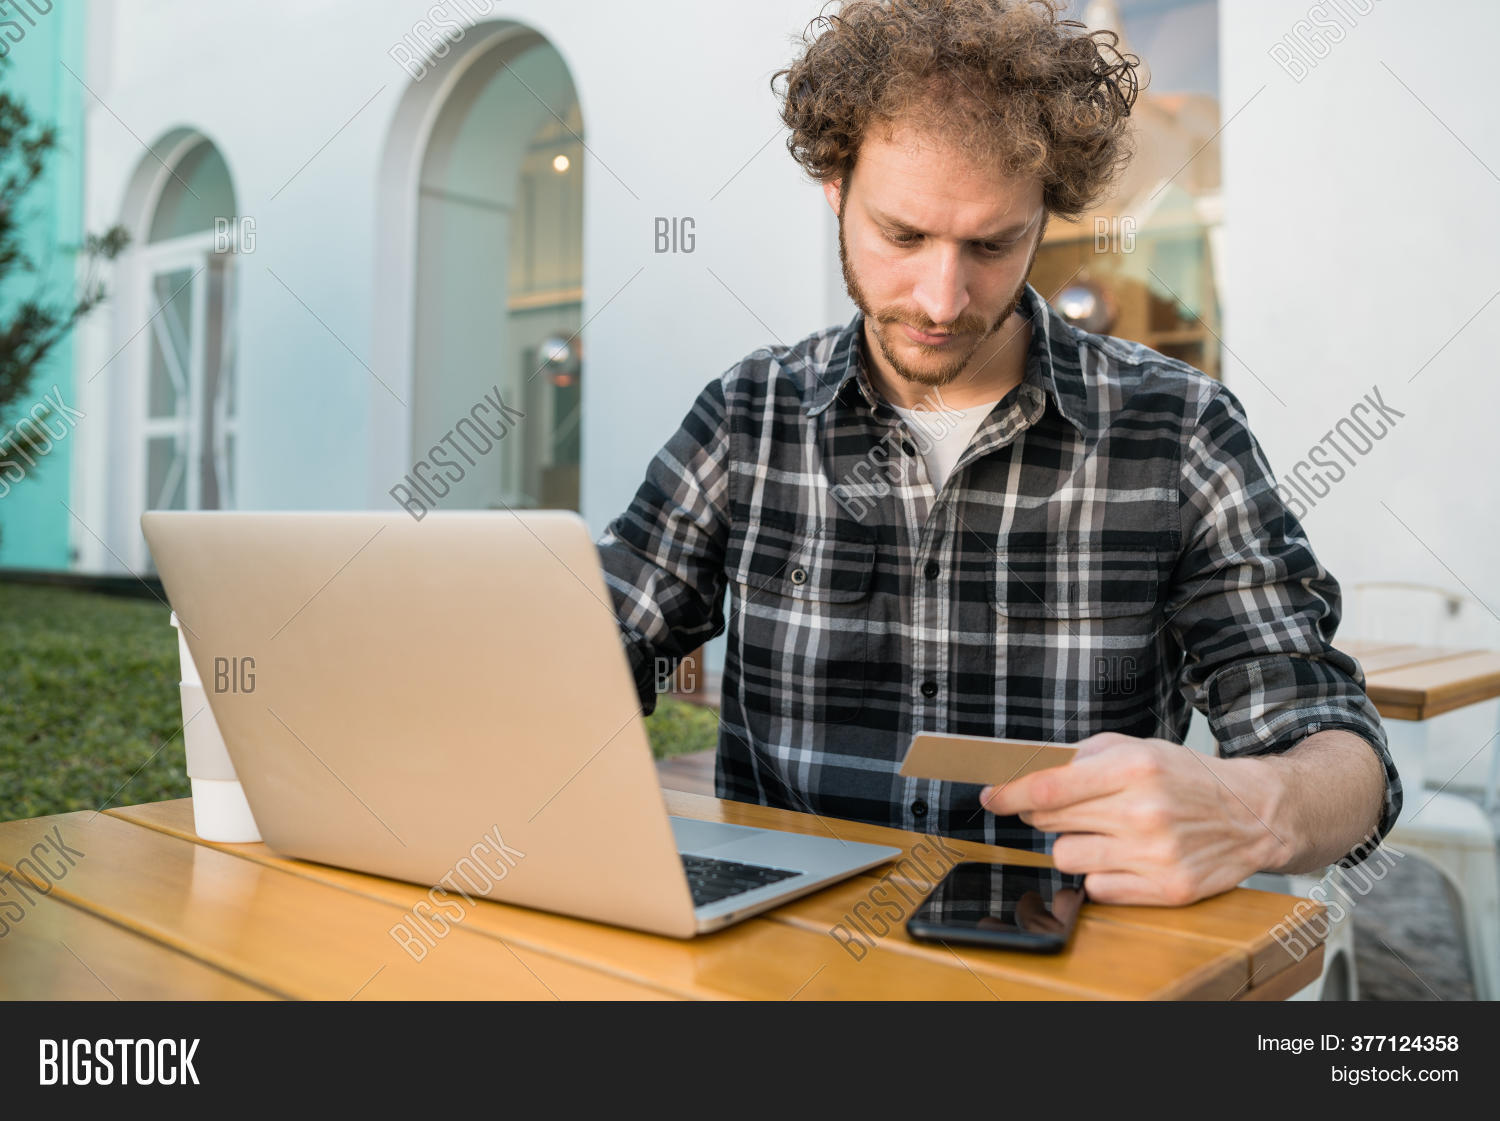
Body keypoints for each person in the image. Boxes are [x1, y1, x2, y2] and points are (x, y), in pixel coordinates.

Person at [596, 0, 1399, 906]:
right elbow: (591, 653)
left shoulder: (1178, 432)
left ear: (1045, 217)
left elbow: (1341, 752)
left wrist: (1259, 805)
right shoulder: (751, 414)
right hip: (788, 969)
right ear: (834, 184)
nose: (943, 298)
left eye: (993, 243)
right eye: (903, 236)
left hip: (1068, 980)